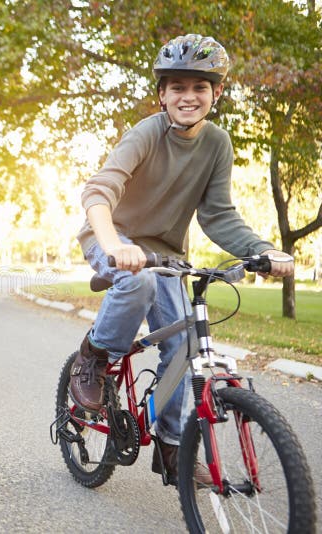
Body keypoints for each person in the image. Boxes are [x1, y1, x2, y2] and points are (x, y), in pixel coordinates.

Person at [69, 34, 294, 484]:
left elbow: (218, 215)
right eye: (177, 87)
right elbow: (99, 191)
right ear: (162, 94)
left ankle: (172, 449)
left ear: (216, 93)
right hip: (113, 237)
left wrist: (262, 250)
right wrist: (114, 245)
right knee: (138, 282)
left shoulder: (218, 144)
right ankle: (92, 358)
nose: (188, 97)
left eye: (199, 87)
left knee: (182, 346)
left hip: (167, 254)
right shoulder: (146, 133)